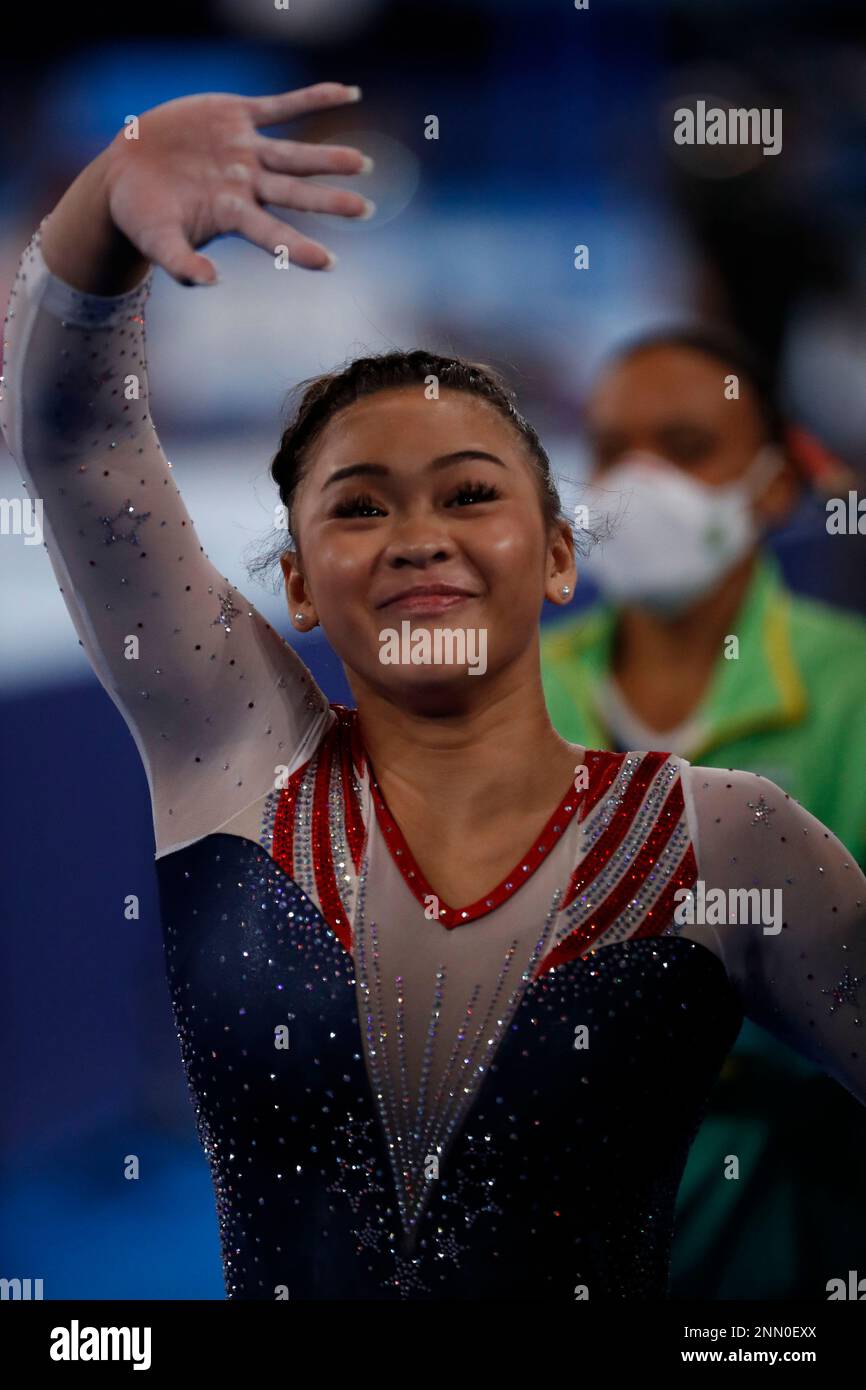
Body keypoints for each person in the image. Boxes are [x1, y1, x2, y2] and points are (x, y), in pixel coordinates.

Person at [2, 83, 865, 1302]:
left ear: (559, 554)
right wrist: (99, 215)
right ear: (299, 586)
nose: (417, 536)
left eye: (469, 494)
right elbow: (79, 446)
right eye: (359, 505)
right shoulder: (242, 764)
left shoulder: (724, 839)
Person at [540, 334, 866, 1296]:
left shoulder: (855, 687)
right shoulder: (507, 691)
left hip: (799, 1238)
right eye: (612, 450)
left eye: (684, 446)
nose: (639, 482)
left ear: (773, 486)